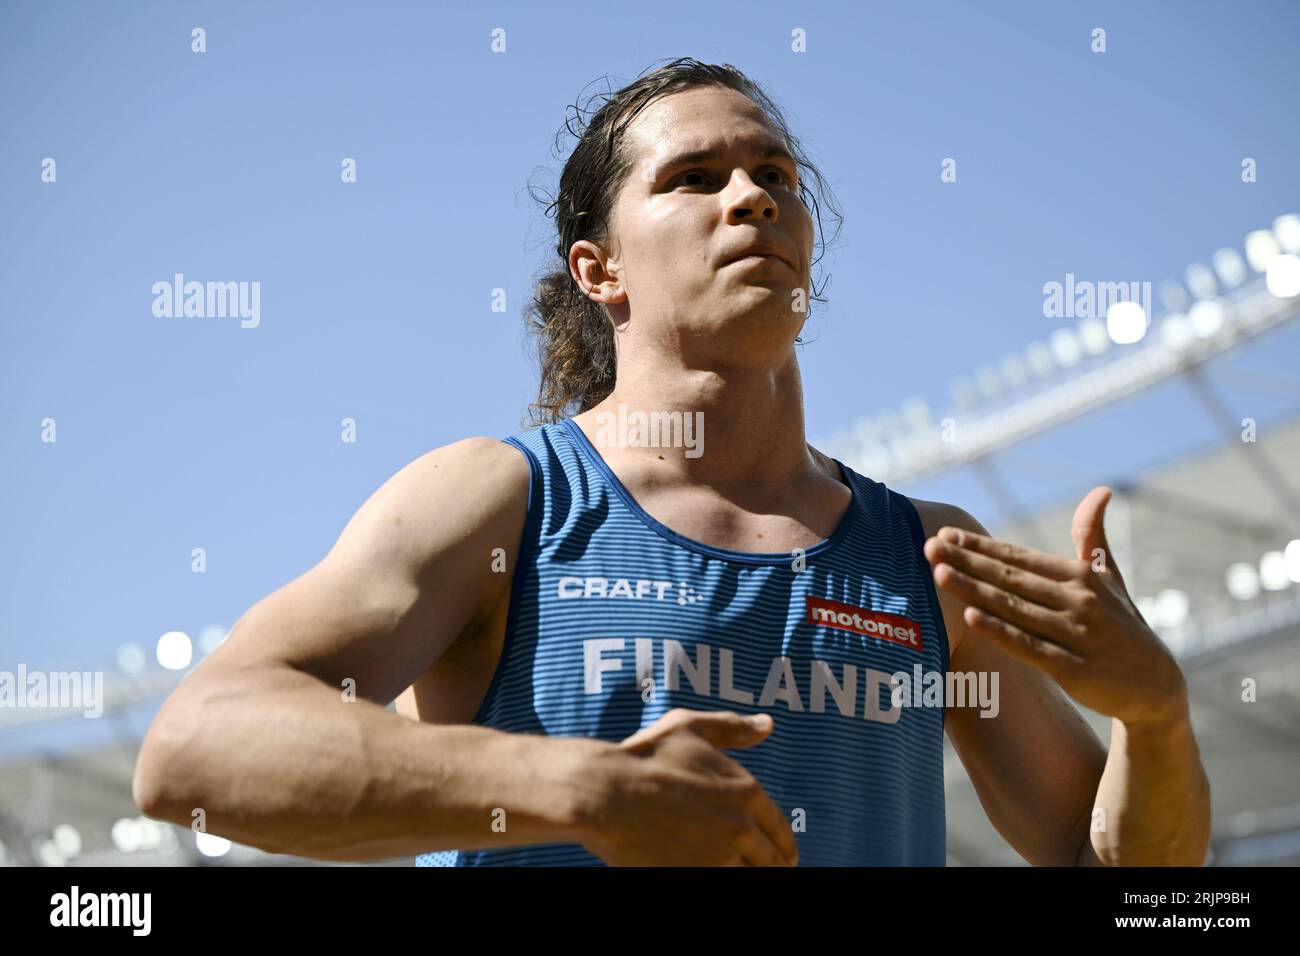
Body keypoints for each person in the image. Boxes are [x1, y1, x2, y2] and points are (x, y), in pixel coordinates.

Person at [133, 58, 1210, 867]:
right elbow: (194, 749)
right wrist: (579, 784)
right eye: (693, 177)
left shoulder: (926, 551)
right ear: (598, 269)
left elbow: (1126, 879)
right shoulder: (503, 503)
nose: (751, 196)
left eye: (773, 172)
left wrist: (1154, 720)